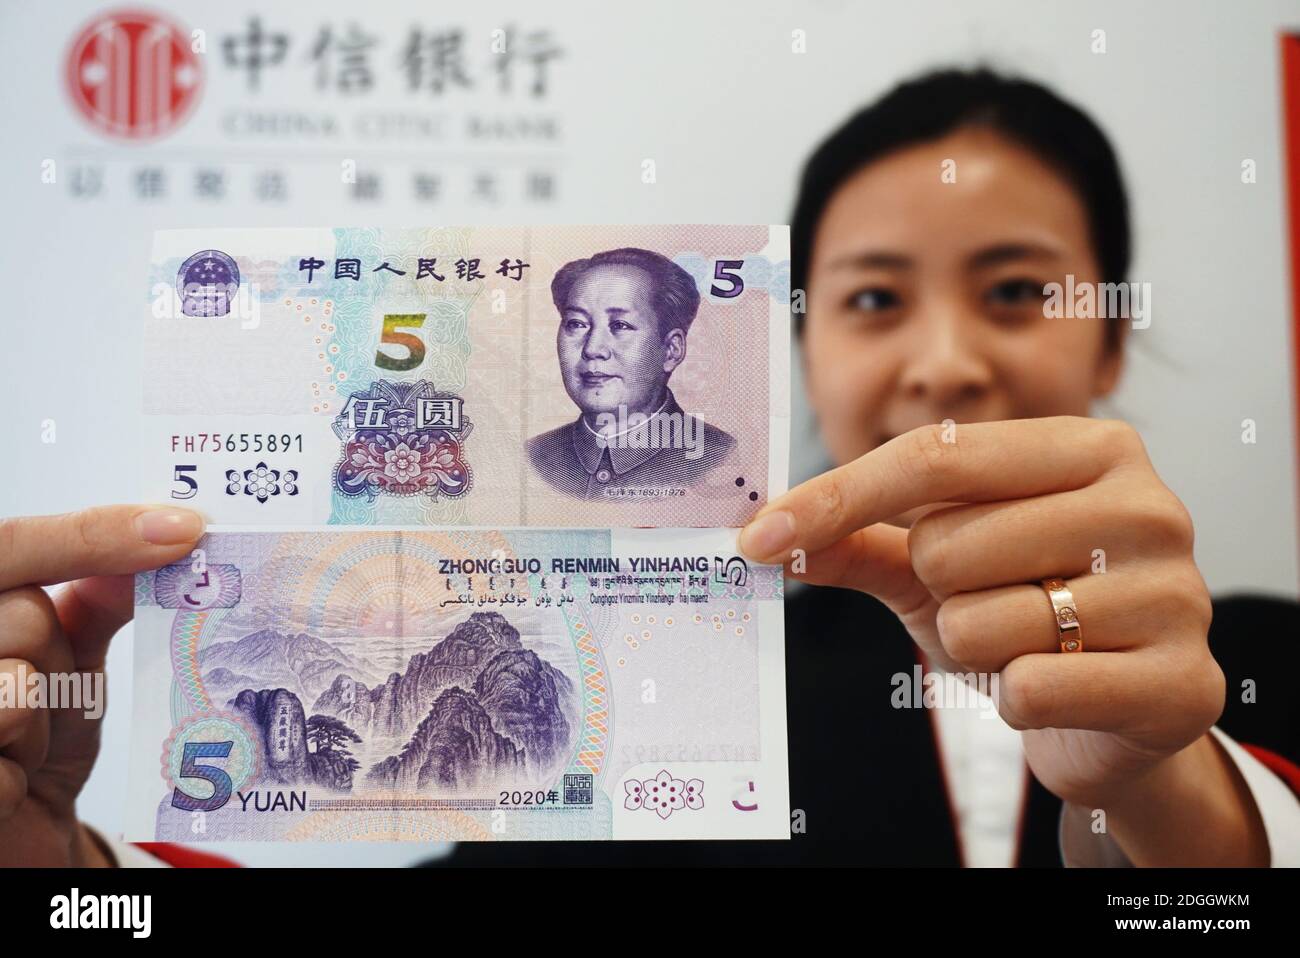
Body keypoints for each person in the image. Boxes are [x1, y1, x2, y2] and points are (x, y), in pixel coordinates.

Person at [2, 69, 1297, 869]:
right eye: (872, 298)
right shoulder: (673, 677)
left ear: (1113, 331)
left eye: (1017, 289)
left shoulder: (1263, 663)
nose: (945, 362)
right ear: (797, 343)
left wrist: (1171, 787)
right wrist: (71, 872)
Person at [527, 246, 737, 499]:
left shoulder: (719, 457)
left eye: (620, 325)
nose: (593, 349)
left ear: (671, 350)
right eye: (577, 324)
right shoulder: (535, 456)